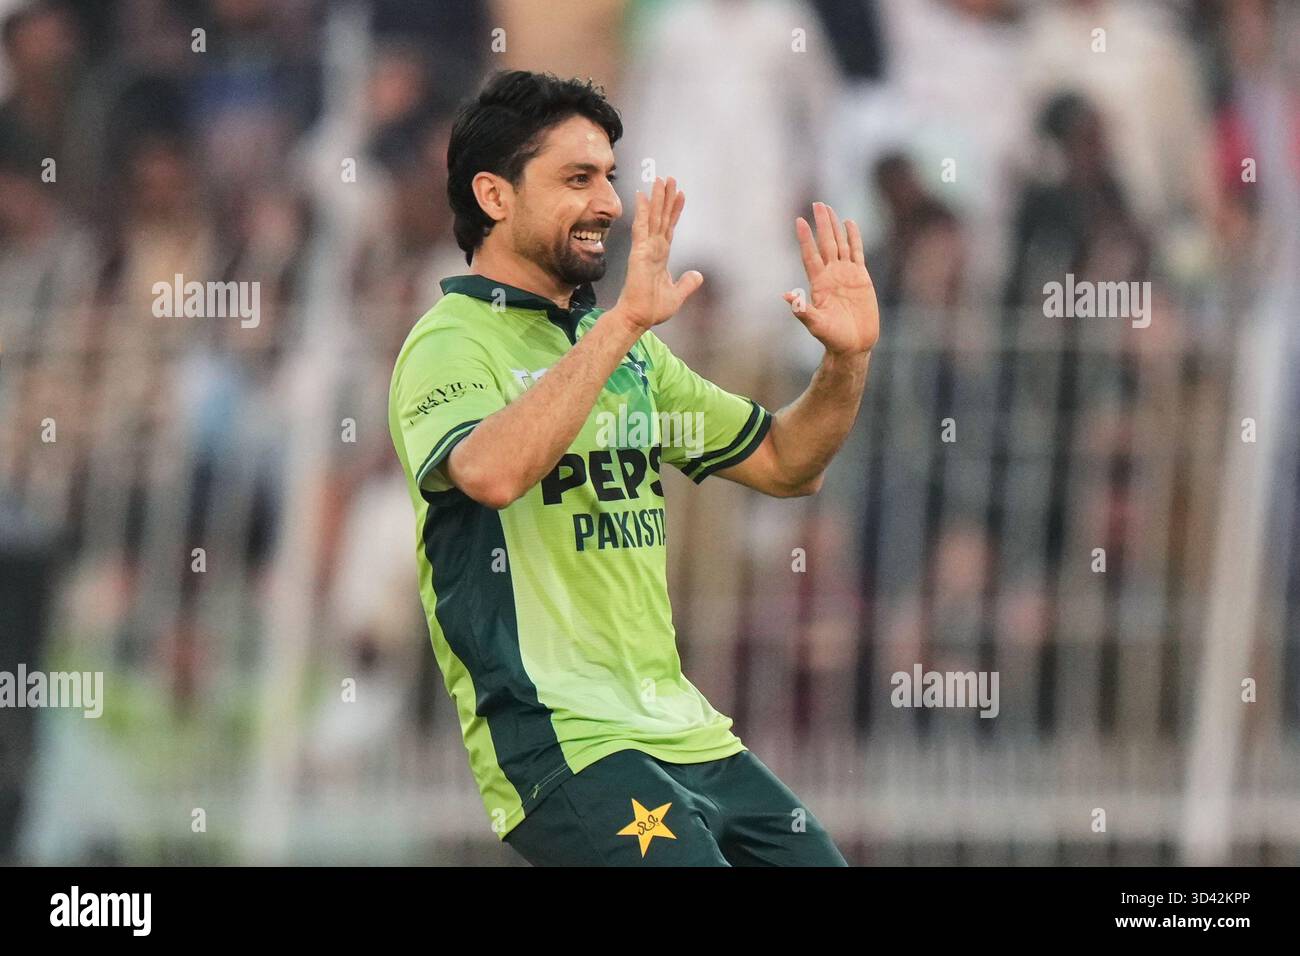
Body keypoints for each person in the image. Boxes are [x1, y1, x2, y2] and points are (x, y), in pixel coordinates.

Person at [387, 70, 878, 866]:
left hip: (685, 731)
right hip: (563, 743)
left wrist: (846, 361)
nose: (610, 204)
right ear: (494, 195)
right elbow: (490, 473)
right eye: (578, 179)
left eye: (609, 177)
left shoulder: (631, 354)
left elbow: (788, 462)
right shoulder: (450, 341)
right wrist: (620, 327)